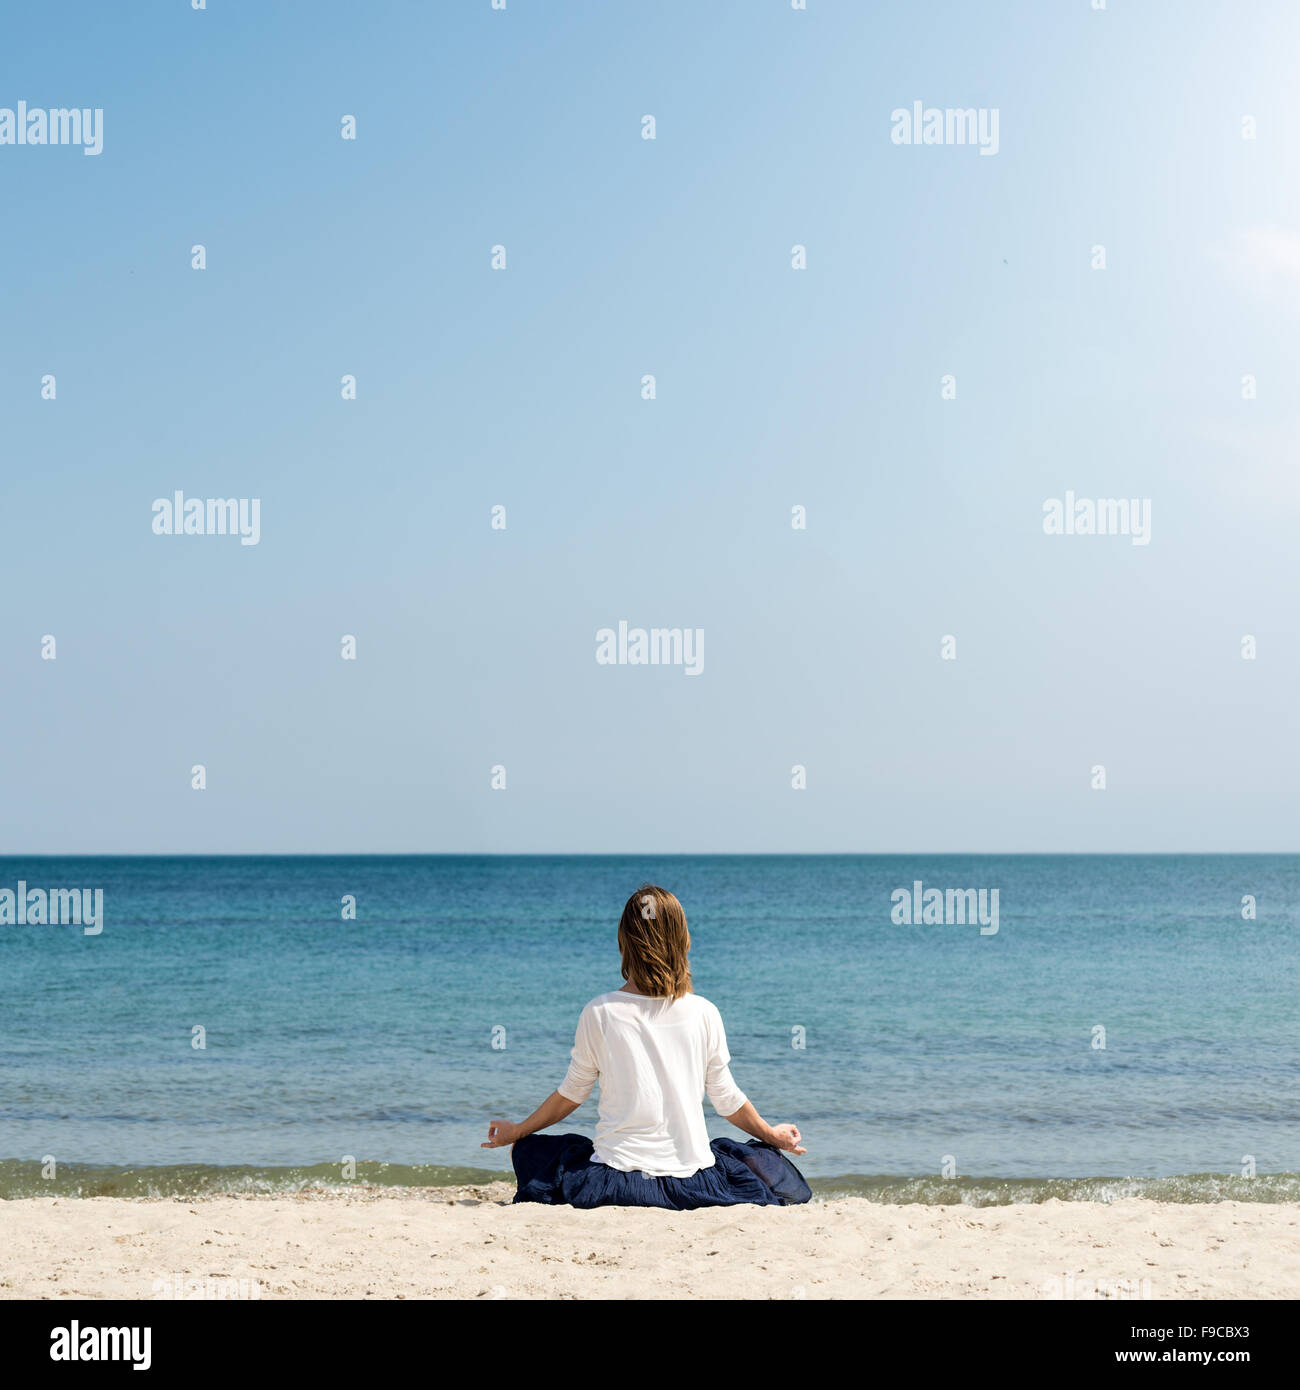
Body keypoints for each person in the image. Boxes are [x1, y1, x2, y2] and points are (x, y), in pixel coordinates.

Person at [482, 884, 811, 1209]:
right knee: (757, 1158)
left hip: (615, 1182)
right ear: (682, 939)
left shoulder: (600, 1011)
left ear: (625, 940)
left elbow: (572, 1094)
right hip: (694, 1183)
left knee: (527, 1150)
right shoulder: (704, 1012)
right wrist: (772, 1135)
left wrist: (518, 1130)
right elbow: (726, 1099)